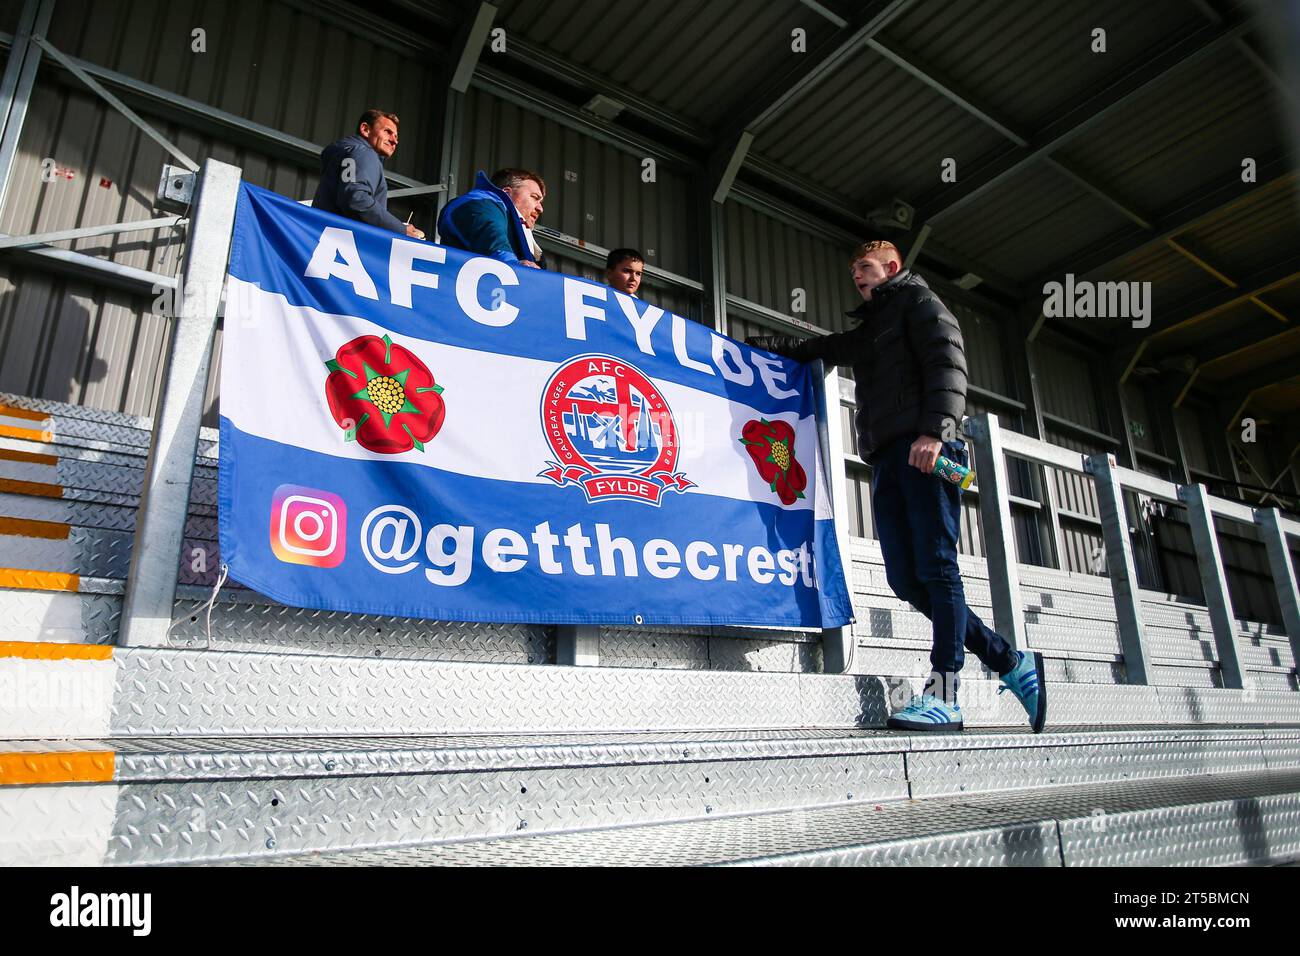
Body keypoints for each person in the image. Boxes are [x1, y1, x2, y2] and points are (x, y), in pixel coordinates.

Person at [748, 240, 1047, 734]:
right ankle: (1009, 661)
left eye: (864, 268)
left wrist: (936, 431)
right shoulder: (873, 329)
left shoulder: (921, 304)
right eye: (853, 271)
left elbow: (948, 366)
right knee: (904, 579)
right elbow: (817, 349)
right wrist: (748, 346)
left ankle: (946, 693)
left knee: (936, 566)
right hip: (889, 458)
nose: (857, 277)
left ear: (892, 267)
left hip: (928, 449)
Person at [312, 109, 423, 239]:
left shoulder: (349, 152)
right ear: (365, 129)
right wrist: (400, 229)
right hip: (342, 243)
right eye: (388, 132)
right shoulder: (364, 153)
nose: (394, 141)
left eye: (396, 136)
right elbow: (356, 199)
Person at [437, 168, 546, 268]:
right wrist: (514, 267)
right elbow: (491, 236)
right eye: (535, 197)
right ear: (507, 193)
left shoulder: (519, 230)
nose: (540, 209)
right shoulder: (480, 202)